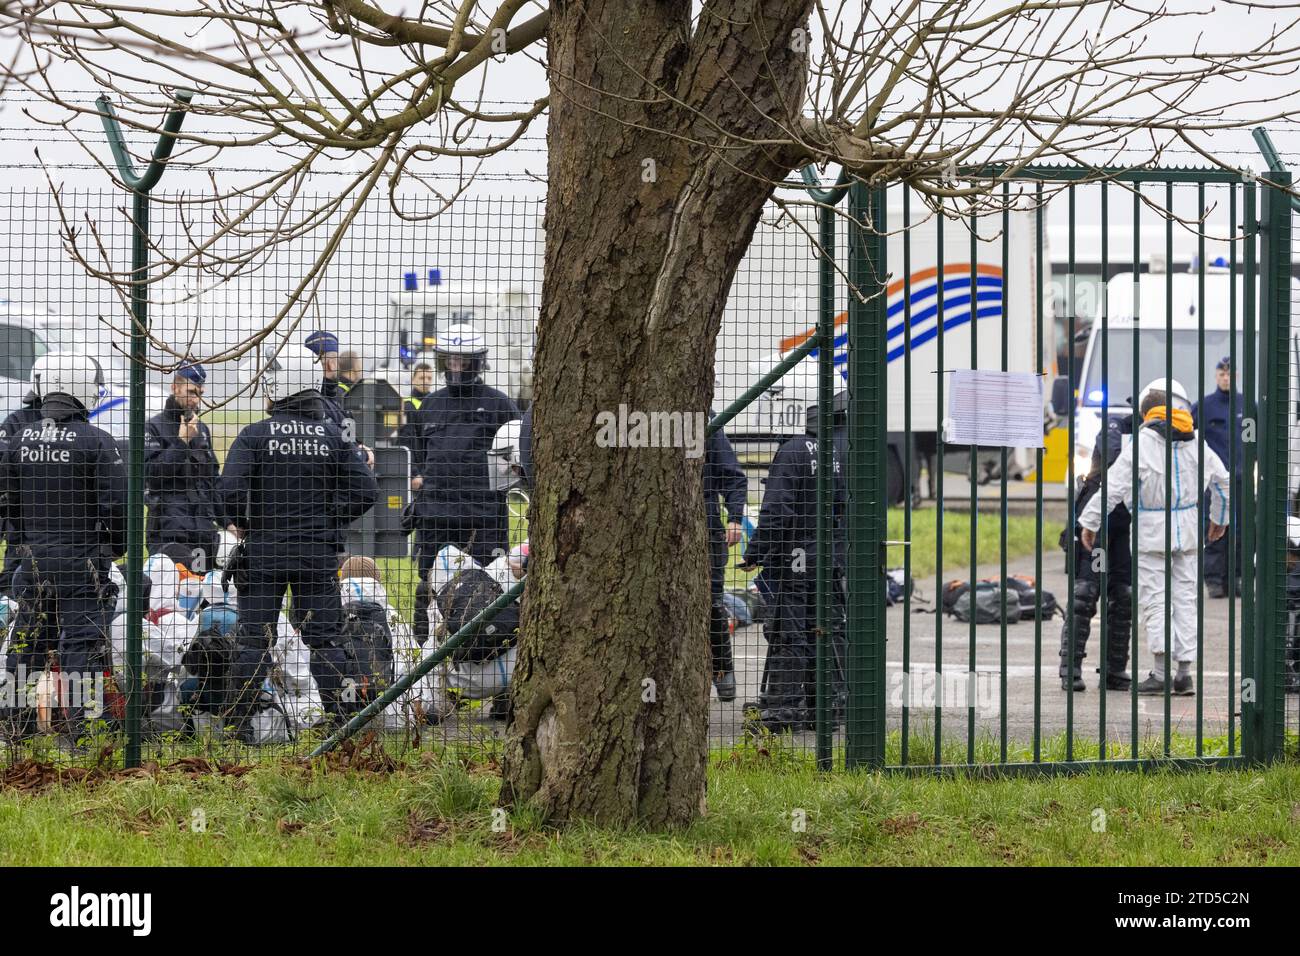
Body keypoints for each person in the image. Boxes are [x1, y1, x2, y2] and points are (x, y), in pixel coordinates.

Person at [218, 352, 378, 731]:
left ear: (278, 388)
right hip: (316, 553)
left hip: (264, 552)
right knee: (325, 640)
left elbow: (228, 489)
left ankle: (237, 723)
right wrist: (327, 518)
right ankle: (343, 720)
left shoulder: (255, 434)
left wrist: (248, 521)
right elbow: (366, 490)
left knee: (254, 640)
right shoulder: (334, 436)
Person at [0, 352, 126, 742]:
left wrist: (21, 544)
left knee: (26, 645)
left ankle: (13, 726)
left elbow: (7, 501)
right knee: (80, 648)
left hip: (32, 563)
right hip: (81, 563)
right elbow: (119, 506)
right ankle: (82, 731)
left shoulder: (19, 440)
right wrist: (111, 549)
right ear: (84, 390)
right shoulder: (98, 442)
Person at [1079, 378, 1231, 696]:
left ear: (1147, 411)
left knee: (1155, 601)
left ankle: (1160, 674)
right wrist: (1220, 518)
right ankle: (1184, 673)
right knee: (1186, 600)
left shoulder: (1143, 443)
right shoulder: (1196, 441)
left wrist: (1090, 522)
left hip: (1150, 534)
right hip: (1188, 532)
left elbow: (1114, 487)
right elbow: (1223, 480)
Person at [407, 323, 520, 645]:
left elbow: (518, 457)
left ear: (477, 361)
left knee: (491, 592)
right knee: (426, 591)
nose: (457, 366)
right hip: (435, 517)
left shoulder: (499, 405)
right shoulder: (430, 405)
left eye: (464, 360)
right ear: (443, 361)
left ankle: (488, 664)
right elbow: (416, 456)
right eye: (451, 359)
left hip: (483, 519)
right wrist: (416, 496)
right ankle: (425, 665)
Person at [739, 396, 846, 733]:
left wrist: (755, 552)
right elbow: (841, 506)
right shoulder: (833, 454)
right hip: (825, 557)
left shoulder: (791, 452)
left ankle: (782, 712)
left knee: (789, 634)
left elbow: (776, 511)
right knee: (822, 633)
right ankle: (823, 709)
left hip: (793, 559)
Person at [1058, 411, 1134, 692]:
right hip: (1096, 515)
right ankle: (1070, 668)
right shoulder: (1117, 426)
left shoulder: (1170, 435)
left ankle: (1116, 669)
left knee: (1124, 596)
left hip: (1127, 521)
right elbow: (1113, 459)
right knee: (1084, 595)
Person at [144, 362, 227, 570]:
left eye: (199, 394)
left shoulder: (202, 429)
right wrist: (181, 443)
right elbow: (151, 476)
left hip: (204, 532)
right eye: (191, 392)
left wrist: (228, 522)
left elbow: (213, 481)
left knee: (210, 596)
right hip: (169, 534)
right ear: (175, 388)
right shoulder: (152, 427)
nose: (195, 400)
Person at [1191, 356, 1245, 598]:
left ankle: (1237, 577)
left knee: (1241, 530)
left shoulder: (1247, 405)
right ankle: (1213, 579)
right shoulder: (1204, 406)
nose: (1226, 378)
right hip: (1213, 480)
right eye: (1222, 374)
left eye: (1230, 374)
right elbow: (1190, 438)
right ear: (1216, 376)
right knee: (1214, 526)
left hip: (1242, 478)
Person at [705, 418, 748, 701]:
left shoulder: (707, 420)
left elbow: (733, 476)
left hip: (706, 529)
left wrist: (734, 518)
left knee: (713, 603)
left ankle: (723, 671)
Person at [0, 365, 47, 597]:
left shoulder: (77, 425)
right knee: (15, 571)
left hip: (56, 517)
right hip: (19, 514)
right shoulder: (18, 421)